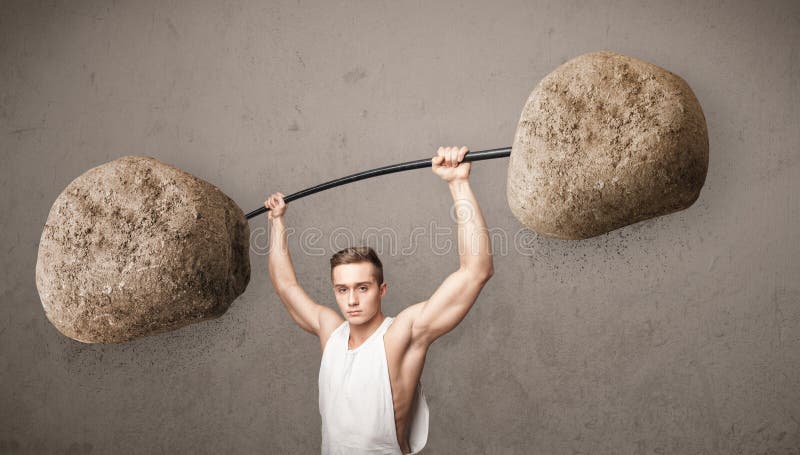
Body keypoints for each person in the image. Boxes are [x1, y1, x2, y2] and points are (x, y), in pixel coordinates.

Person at [265, 146, 494, 454]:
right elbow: (286, 285)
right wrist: (276, 223)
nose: (352, 300)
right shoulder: (330, 332)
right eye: (343, 290)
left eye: (363, 288)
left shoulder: (401, 335)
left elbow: (475, 271)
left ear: (381, 289)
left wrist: (458, 184)